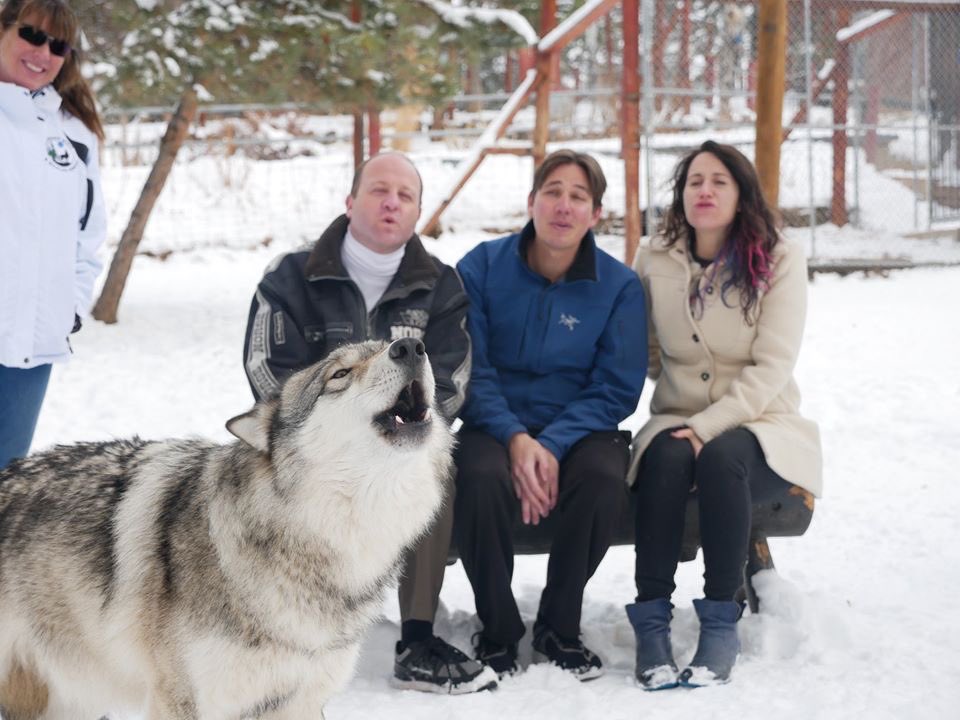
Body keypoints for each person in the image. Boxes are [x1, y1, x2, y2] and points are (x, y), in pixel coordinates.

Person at [242, 151, 497, 695]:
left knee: (428, 462)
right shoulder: (291, 276)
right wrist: (324, 433)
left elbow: (452, 377)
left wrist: (407, 427)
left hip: (401, 432)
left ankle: (419, 637)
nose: (391, 202)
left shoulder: (441, 286)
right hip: (317, 442)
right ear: (351, 200)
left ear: (419, 211)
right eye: (379, 190)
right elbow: (267, 367)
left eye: (406, 196)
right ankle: (287, 624)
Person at [625, 140, 822, 689]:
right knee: (663, 459)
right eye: (694, 182)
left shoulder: (779, 257)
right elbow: (645, 351)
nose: (704, 191)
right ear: (681, 195)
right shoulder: (654, 255)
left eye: (718, 182)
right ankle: (652, 622)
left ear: (741, 195)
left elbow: (774, 365)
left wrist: (710, 426)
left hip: (763, 422)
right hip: (678, 415)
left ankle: (720, 618)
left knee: (721, 458)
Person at [454, 149, 648, 680]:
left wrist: (554, 443)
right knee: (477, 476)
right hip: (495, 422)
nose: (564, 206)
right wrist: (515, 437)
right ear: (532, 201)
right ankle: (497, 631)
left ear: (596, 213)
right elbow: (471, 368)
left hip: (582, 428)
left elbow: (616, 385)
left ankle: (559, 627)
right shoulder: (481, 268)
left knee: (605, 481)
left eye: (578, 197)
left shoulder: (618, 287)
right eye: (553, 192)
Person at [0, 0, 106, 470]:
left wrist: (70, 307)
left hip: (31, 350)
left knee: (6, 484)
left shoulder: (75, 134)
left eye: (58, 45)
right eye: (32, 35)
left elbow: (87, 236)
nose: (44, 52)